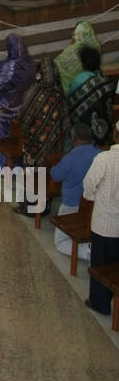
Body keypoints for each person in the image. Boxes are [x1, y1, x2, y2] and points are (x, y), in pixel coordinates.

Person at [83, 122, 119, 315]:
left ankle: (100, 303)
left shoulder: (104, 158)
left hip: (104, 222)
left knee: (100, 263)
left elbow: (89, 184)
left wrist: (92, 197)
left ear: (115, 135)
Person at [50, 120, 100, 258]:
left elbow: (55, 175)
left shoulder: (69, 158)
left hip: (72, 205)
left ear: (73, 138)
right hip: (95, 206)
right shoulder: (100, 155)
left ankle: (88, 252)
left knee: (61, 243)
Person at [0, 34, 36, 168]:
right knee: (18, 136)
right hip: (22, 106)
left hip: (5, 108)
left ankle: (0, 166)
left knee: (2, 135)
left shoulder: (10, 66)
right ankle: (17, 166)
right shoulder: (29, 63)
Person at [19, 58, 69, 168]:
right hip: (53, 144)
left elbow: (22, 115)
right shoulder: (60, 92)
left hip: (32, 141)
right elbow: (65, 121)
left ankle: (32, 178)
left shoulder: (33, 91)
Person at [66, 45, 115, 147]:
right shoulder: (105, 80)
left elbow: (68, 104)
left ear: (82, 64)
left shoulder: (78, 82)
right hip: (107, 136)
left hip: (85, 138)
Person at [55, 20, 101, 95]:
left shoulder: (71, 50)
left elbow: (58, 63)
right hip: (94, 83)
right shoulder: (96, 46)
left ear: (76, 34)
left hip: (73, 89)